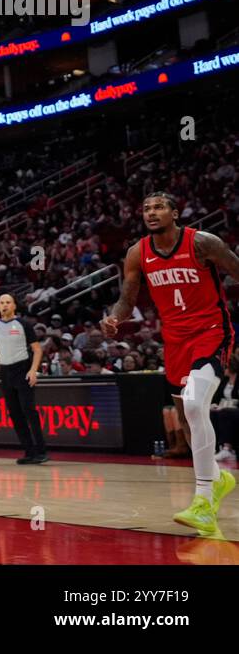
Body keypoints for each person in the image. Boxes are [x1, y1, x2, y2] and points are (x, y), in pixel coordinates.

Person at [102, 191, 239, 536]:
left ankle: (203, 502)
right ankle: (219, 479)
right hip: (175, 341)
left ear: (175, 213)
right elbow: (126, 299)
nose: (151, 212)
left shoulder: (203, 243)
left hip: (211, 331)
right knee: (188, 421)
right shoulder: (137, 253)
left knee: (194, 405)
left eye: (159, 207)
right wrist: (115, 319)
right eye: (146, 208)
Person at [0, 294, 48, 465]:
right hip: (5, 372)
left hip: (22, 369)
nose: (5, 305)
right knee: (14, 414)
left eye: (8, 302)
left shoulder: (23, 324)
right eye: (2, 303)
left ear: (14, 306)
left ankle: (41, 451)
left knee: (29, 410)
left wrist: (33, 370)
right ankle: (29, 452)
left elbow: (37, 350)